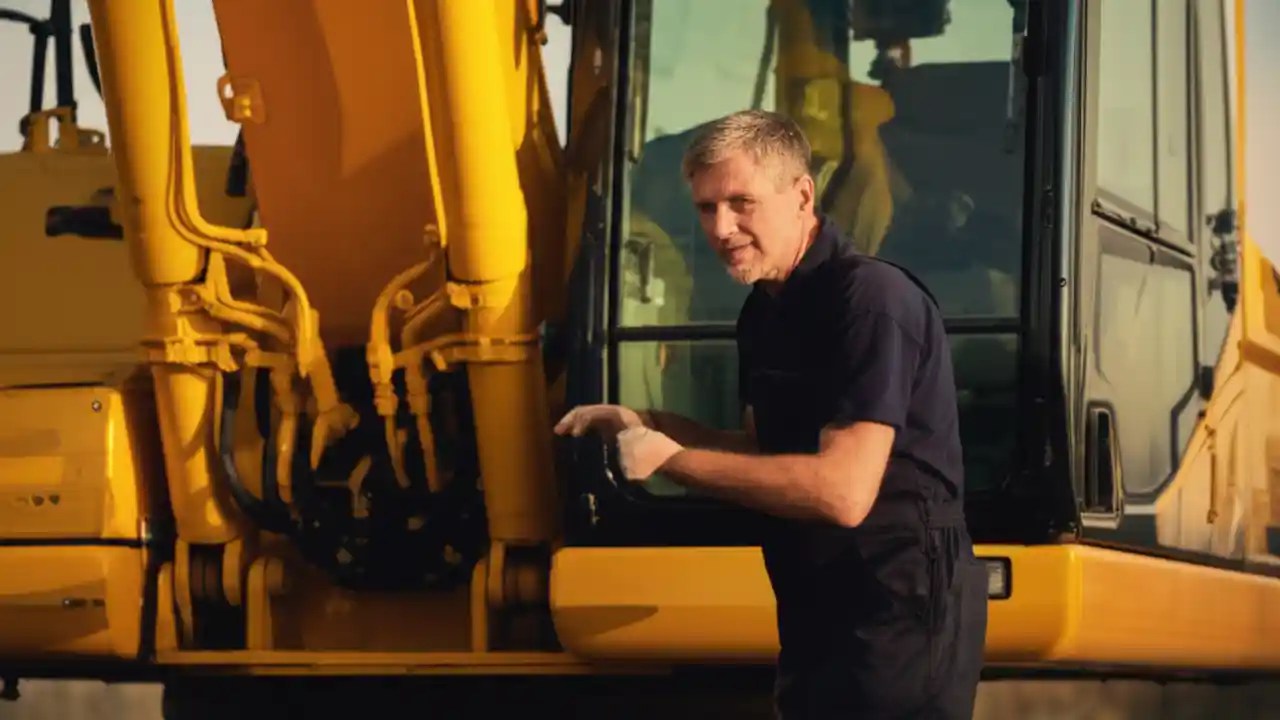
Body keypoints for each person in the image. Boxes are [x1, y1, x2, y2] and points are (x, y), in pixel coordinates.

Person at [554, 109, 987, 718]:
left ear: (802, 195)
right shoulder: (764, 313)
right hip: (817, 608)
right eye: (706, 208)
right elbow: (761, 452)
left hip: (897, 612)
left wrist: (673, 461)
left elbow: (842, 491)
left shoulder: (871, 302)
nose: (721, 227)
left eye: (741, 202)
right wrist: (643, 420)